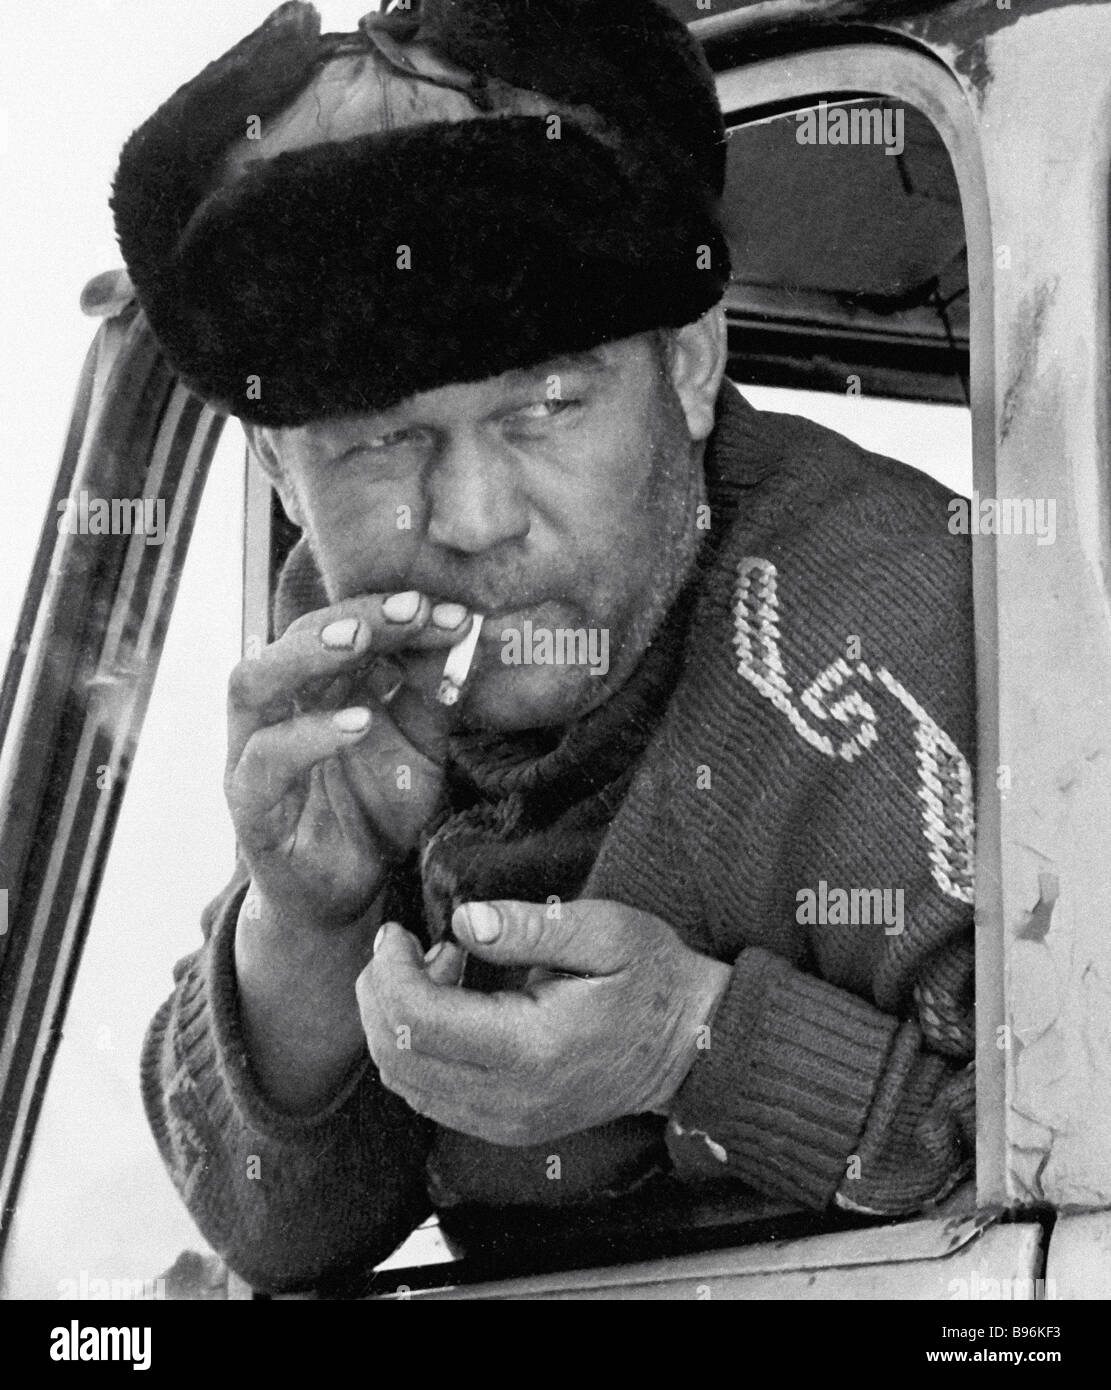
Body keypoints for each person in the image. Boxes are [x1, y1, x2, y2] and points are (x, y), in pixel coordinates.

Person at [115, 0, 976, 1296]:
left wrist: (691, 1040)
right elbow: (275, 1231)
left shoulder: (886, 632)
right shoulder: (352, 670)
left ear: (692, 365)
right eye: (378, 441)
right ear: (278, 470)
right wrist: (309, 922)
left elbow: (1069, 1174)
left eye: (547, 407)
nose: (467, 520)